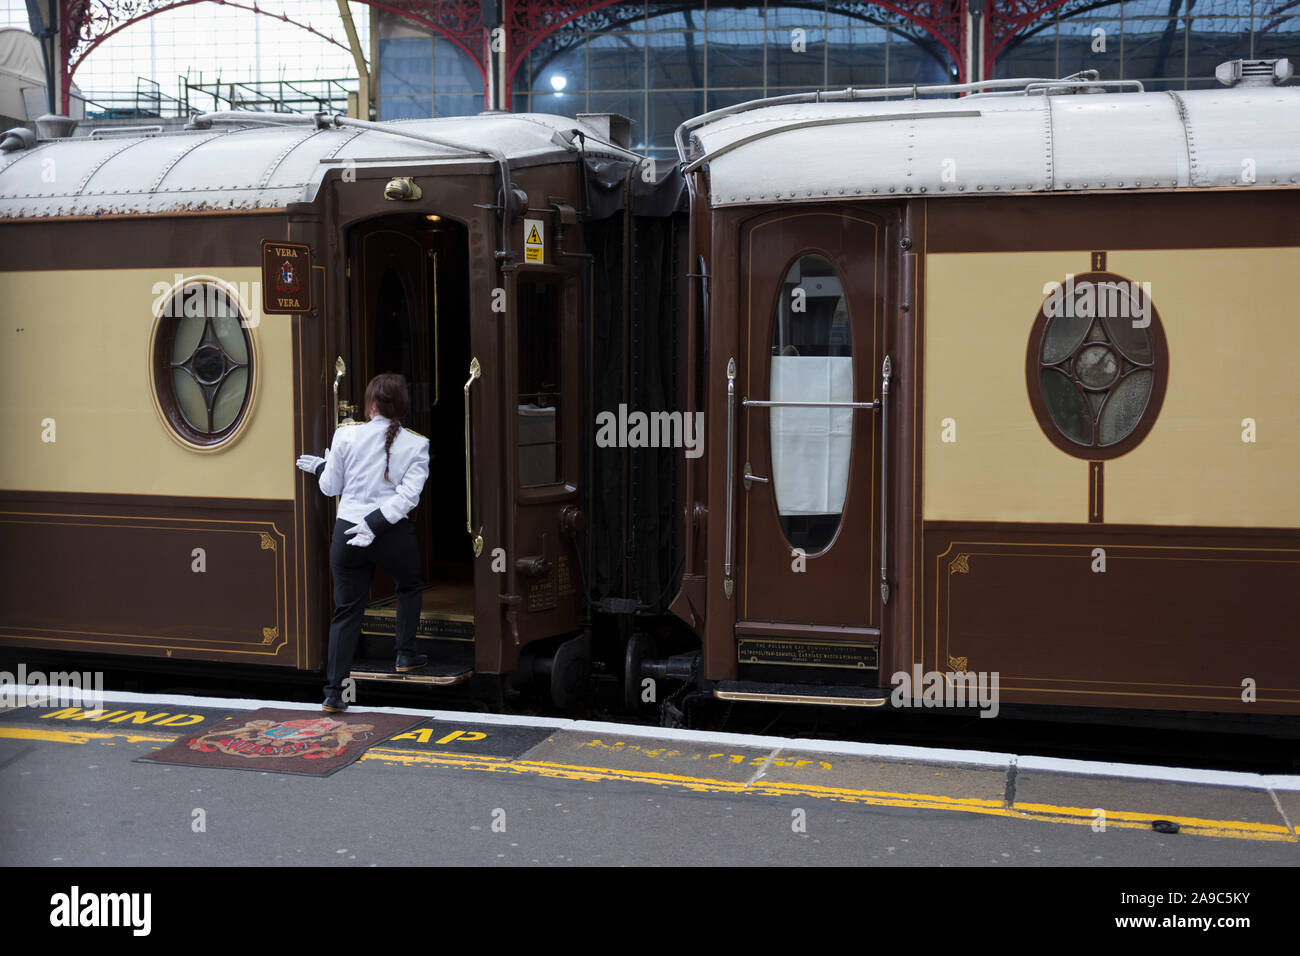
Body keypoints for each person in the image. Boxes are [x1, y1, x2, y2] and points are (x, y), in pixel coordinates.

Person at [295, 372, 431, 712]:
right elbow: (408, 498)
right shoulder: (417, 443)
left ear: (370, 405)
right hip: (390, 531)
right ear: (401, 407)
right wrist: (376, 523)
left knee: (347, 611)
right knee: (409, 585)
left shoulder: (345, 434)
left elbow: (330, 487)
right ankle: (405, 655)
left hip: (347, 530)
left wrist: (322, 467)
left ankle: (334, 694)